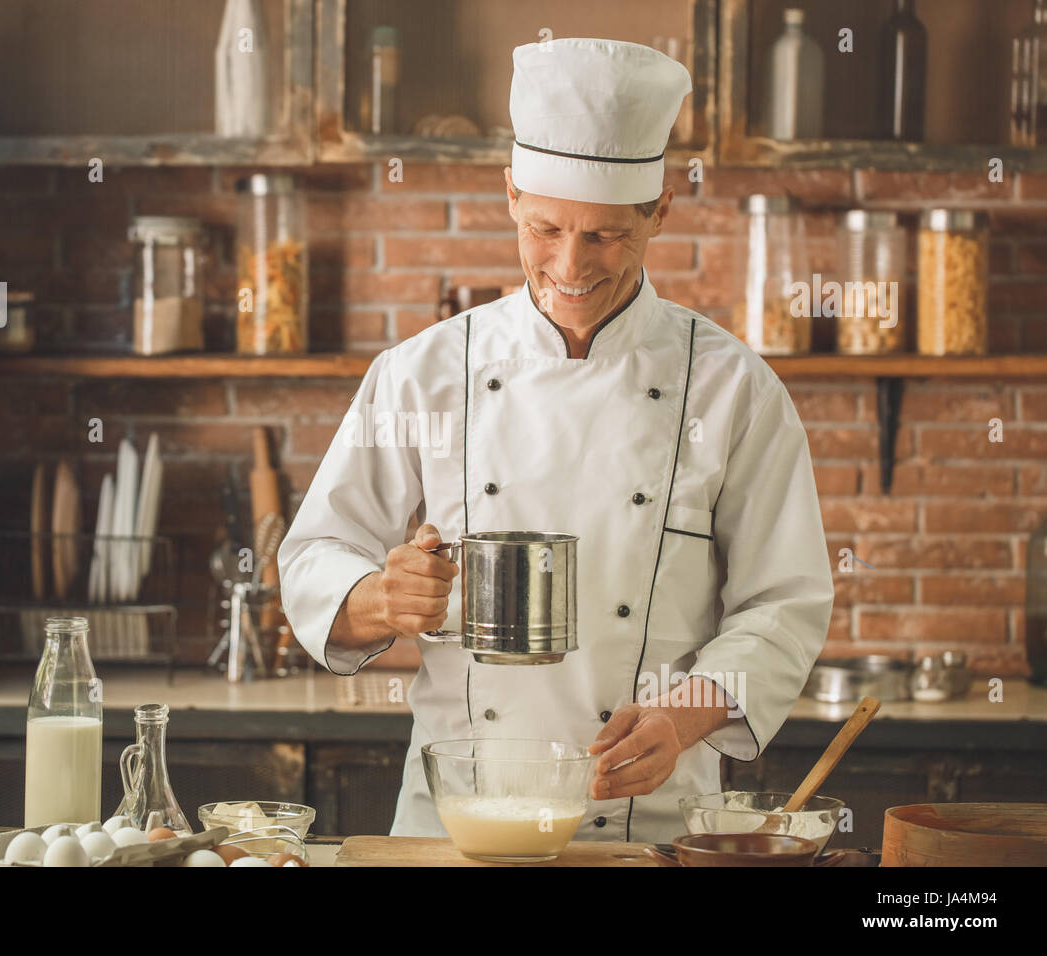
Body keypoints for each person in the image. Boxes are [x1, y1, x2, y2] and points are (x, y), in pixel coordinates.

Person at [278, 38, 833, 844]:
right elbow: (314, 554)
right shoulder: (423, 373)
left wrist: (682, 719)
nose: (569, 266)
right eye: (545, 228)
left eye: (605, 236)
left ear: (660, 212)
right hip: (452, 828)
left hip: (651, 828)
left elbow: (784, 604)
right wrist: (378, 599)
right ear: (509, 196)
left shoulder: (732, 389)